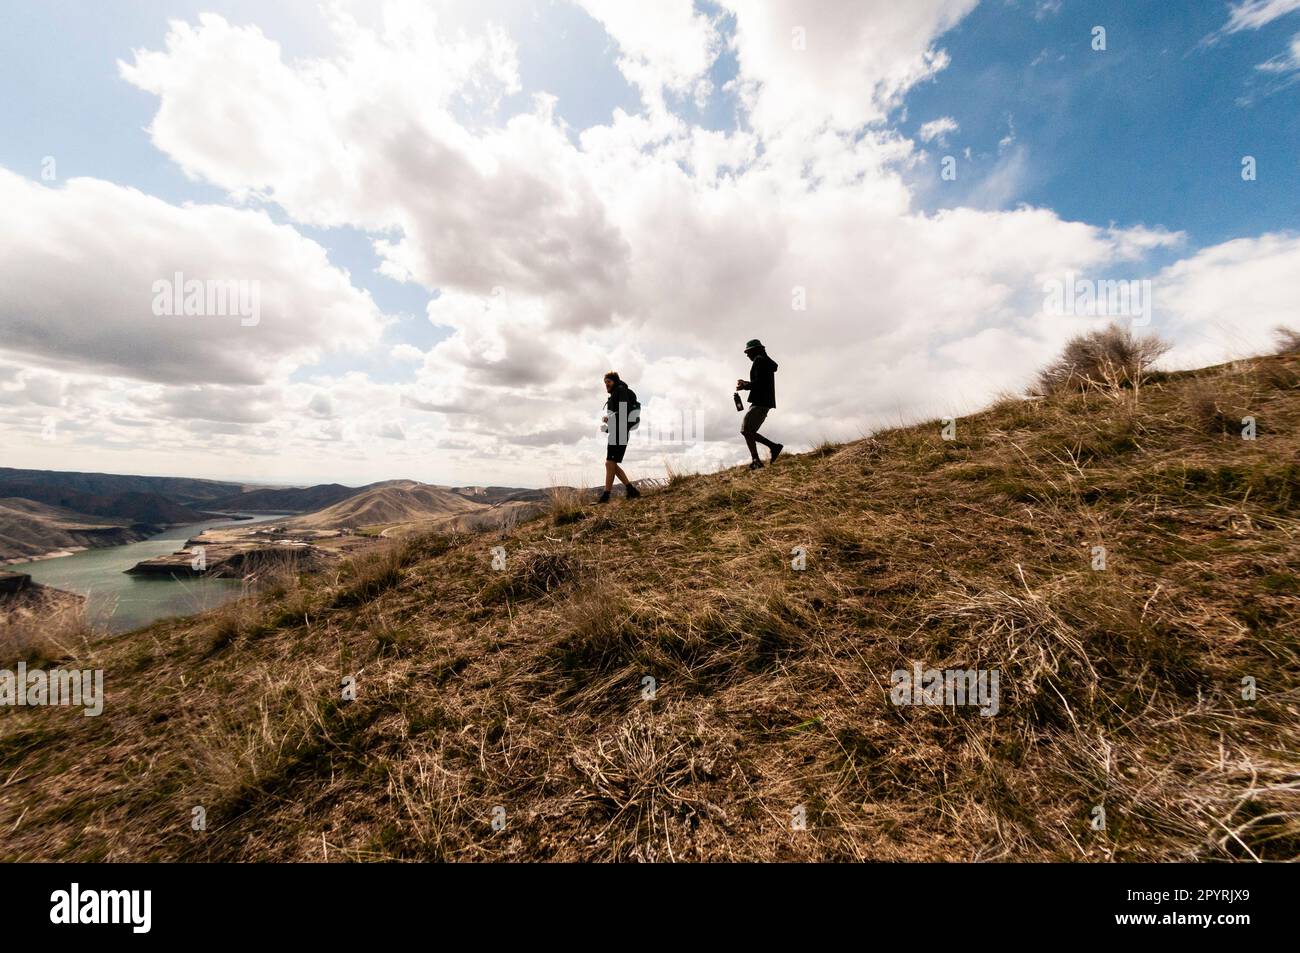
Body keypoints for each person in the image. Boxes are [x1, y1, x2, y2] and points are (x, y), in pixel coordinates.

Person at [736, 338, 783, 470]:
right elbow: (761, 382)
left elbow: (759, 384)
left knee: (746, 430)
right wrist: (746, 383)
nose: (747, 355)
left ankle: (770, 450)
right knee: (748, 431)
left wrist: (744, 385)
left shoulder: (759, 361)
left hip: (760, 401)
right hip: (765, 401)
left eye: (748, 352)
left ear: (755, 350)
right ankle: (758, 459)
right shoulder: (766, 362)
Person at [599, 371, 641, 503]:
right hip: (617, 430)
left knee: (609, 462)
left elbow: (624, 411)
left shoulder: (621, 390)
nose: (606, 385)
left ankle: (606, 495)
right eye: (605, 383)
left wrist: (609, 418)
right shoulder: (615, 393)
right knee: (611, 463)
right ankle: (631, 490)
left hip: (621, 431)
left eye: (608, 382)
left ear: (615, 381)